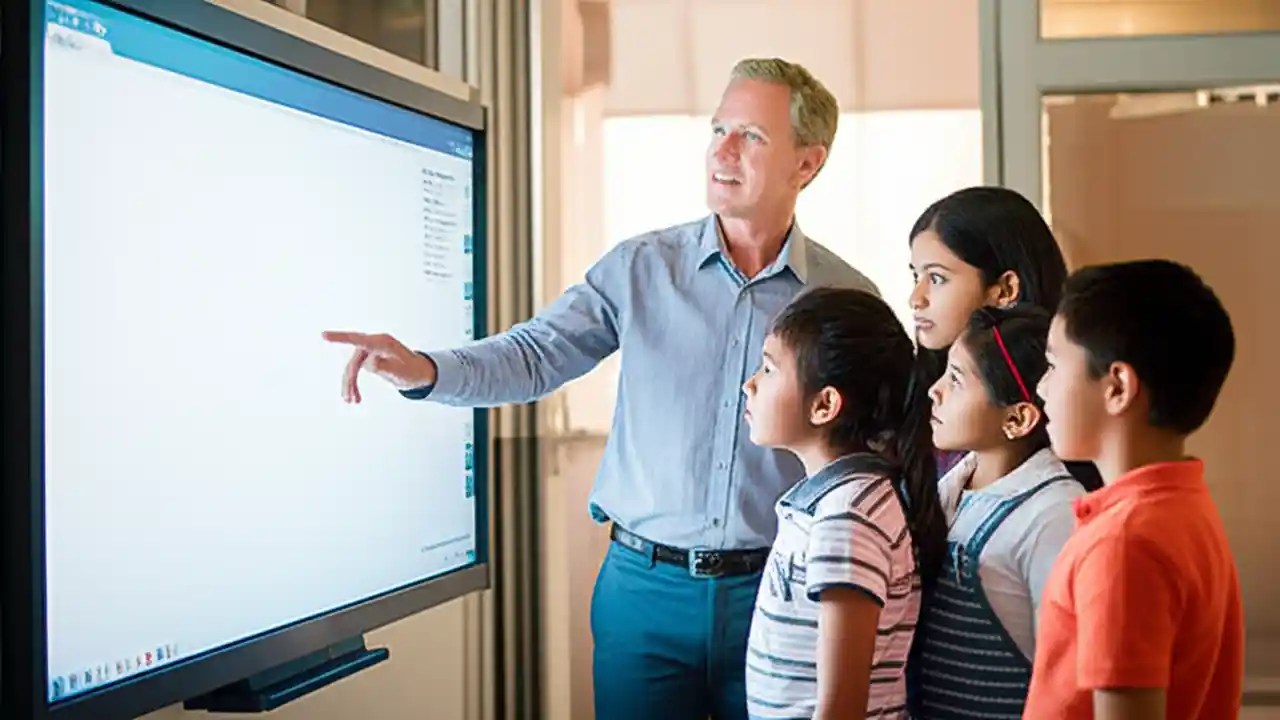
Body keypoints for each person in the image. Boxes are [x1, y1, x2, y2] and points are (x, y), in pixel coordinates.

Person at [323, 57, 878, 720]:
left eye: (751, 136)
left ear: (806, 164)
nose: (722, 151)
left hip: (781, 591)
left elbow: (869, 456)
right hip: (643, 594)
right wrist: (426, 369)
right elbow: (534, 356)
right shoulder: (641, 268)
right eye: (718, 129)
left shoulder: (848, 301)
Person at [1025, 260, 1243, 720]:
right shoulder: (1183, 504)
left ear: (1118, 386)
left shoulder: (1125, 543)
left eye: (1052, 364)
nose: (1041, 388)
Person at [740, 287, 945, 720]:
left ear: (824, 404)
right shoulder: (837, 501)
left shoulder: (848, 517)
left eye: (769, 369)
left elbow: (842, 706)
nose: (749, 384)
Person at [907, 306, 1082, 719]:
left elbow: (1064, 677)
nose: (934, 391)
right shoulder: (948, 489)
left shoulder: (1054, 514)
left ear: (1018, 418)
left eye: (955, 380)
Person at [905, 186, 1102, 491]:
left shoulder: (1061, 423)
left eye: (937, 278)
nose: (916, 299)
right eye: (915, 277)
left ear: (1005, 289)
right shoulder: (915, 390)